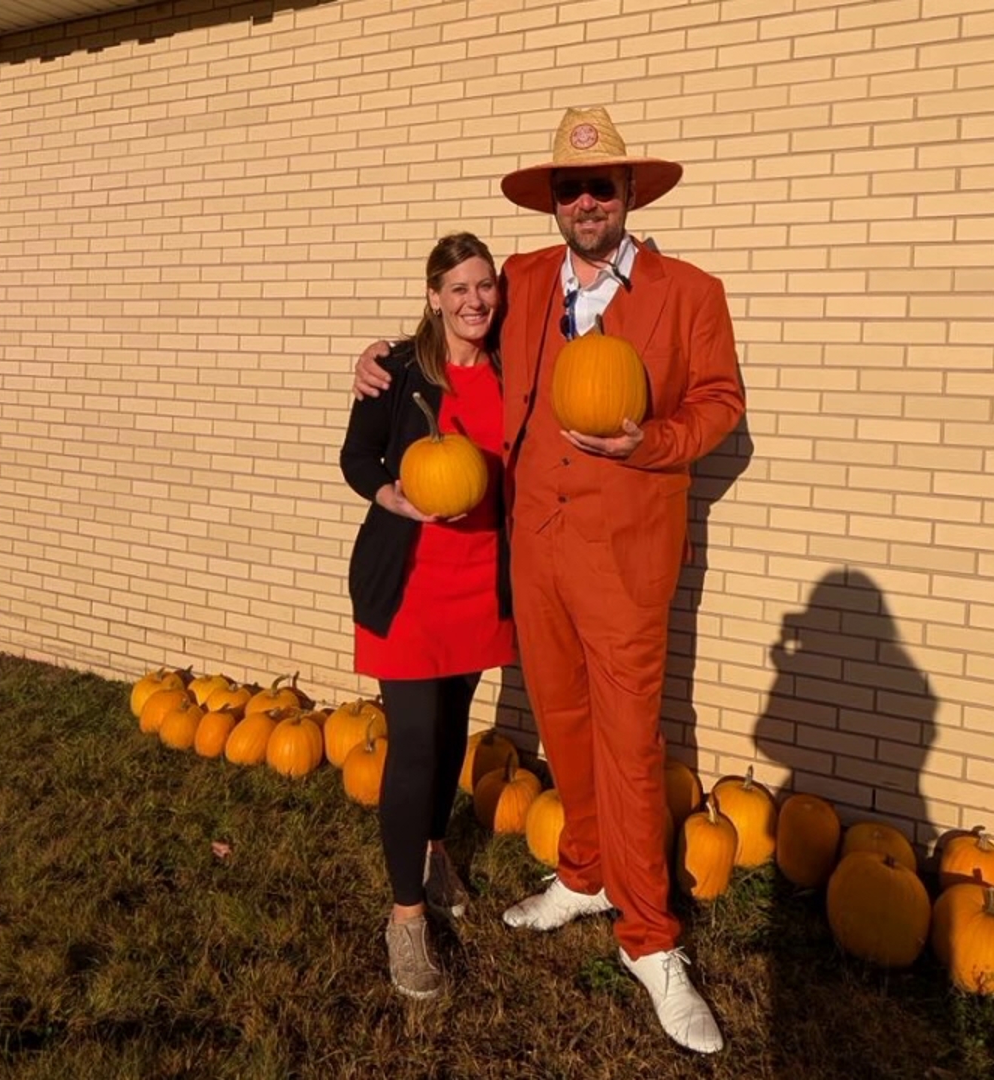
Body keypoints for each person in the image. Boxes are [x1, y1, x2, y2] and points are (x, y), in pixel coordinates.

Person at [352, 107, 746, 1053]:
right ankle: (582, 872)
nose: (584, 202)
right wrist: (376, 357)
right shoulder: (525, 280)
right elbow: (455, 321)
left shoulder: (690, 292)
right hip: (530, 555)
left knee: (627, 736)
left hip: (624, 556)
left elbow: (722, 403)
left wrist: (650, 440)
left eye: (600, 187)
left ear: (629, 195)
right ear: (555, 205)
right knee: (561, 720)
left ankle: (650, 938)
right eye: (569, 190)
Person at [339, 232, 515, 1001]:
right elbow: (357, 457)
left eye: (486, 286)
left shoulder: (517, 371)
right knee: (412, 745)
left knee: (449, 733)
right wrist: (392, 496)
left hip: (483, 586)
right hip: (409, 587)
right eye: (460, 289)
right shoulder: (401, 372)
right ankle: (405, 919)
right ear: (434, 297)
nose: (475, 301)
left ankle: (435, 851)